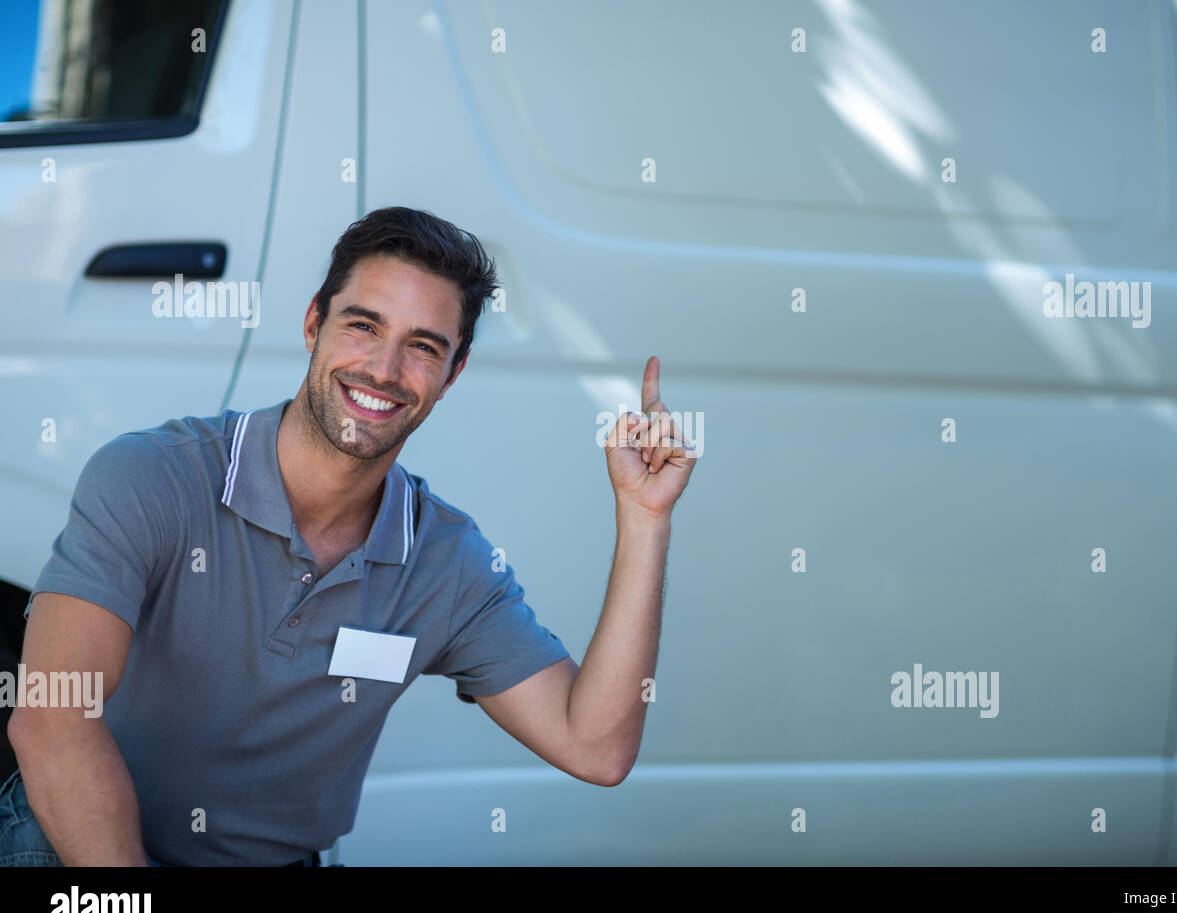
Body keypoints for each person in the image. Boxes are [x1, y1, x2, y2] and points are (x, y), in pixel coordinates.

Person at [1, 206, 697, 866]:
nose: (384, 370)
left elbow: (595, 749)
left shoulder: (449, 564)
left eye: (422, 347)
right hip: (74, 849)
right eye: (363, 326)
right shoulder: (151, 478)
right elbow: (53, 717)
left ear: (453, 374)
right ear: (313, 323)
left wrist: (645, 517)